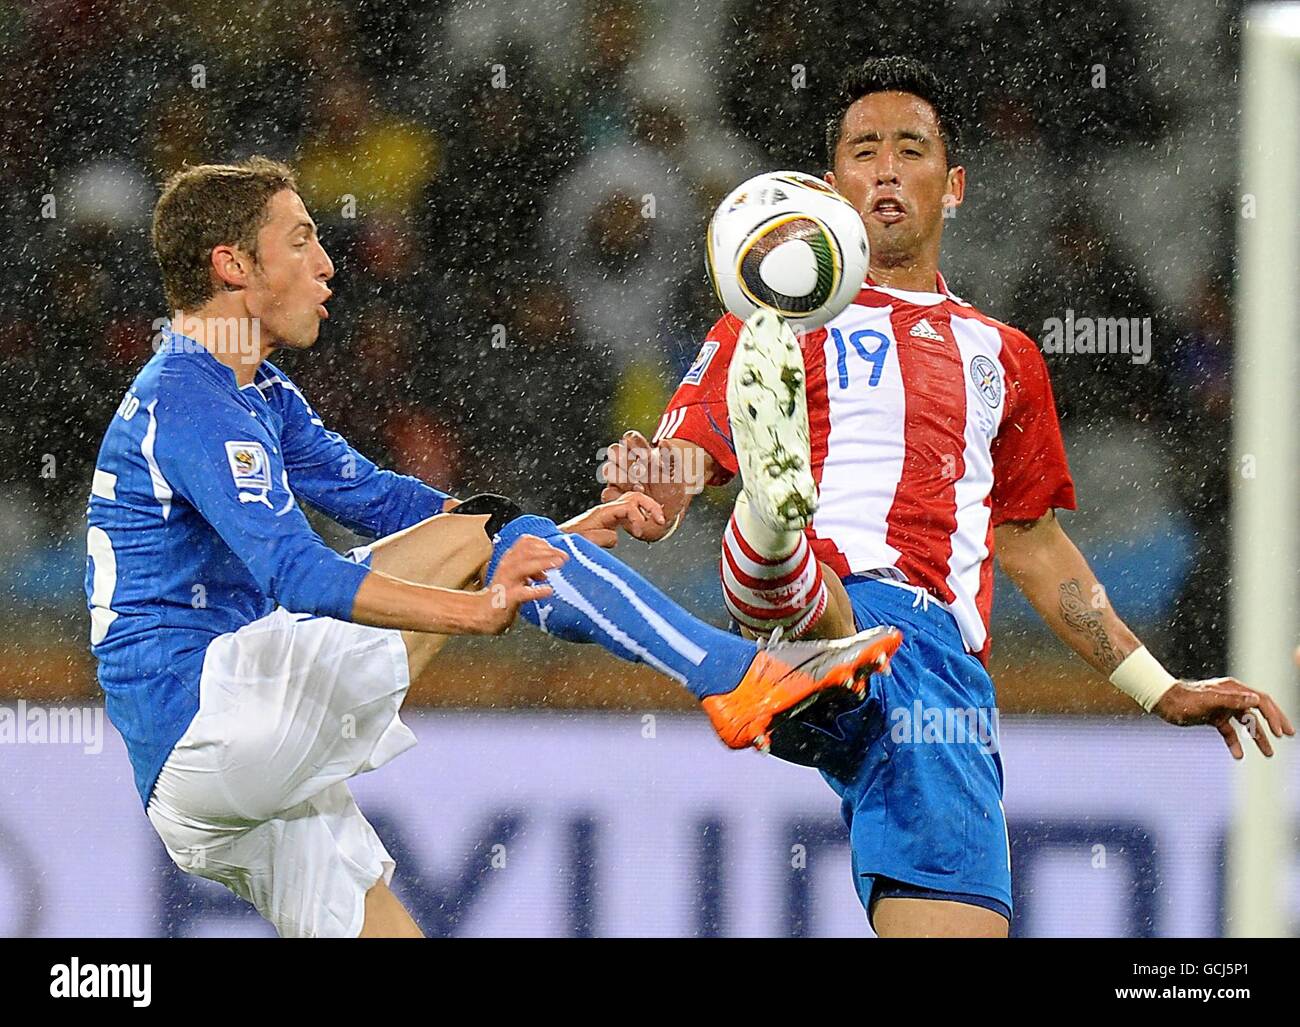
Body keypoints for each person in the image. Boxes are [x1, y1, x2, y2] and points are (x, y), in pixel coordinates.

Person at [83, 157, 903, 938]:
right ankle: (737, 676)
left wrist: (545, 534)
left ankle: (694, 649)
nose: (328, 263)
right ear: (232, 265)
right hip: (215, 715)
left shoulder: (253, 387)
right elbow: (297, 573)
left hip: (198, 777)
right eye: (300, 241)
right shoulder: (190, 396)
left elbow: (382, 499)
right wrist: (477, 602)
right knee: (488, 533)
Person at [600, 57, 1294, 938]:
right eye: (864, 151)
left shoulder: (1003, 356)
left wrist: (1161, 688)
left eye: (910, 149)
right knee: (794, 557)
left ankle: (787, 595)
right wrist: (648, 487)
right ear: (828, 189)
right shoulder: (764, 322)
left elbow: (1038, 550)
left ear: (953, 183)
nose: (887, 169)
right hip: (841, 594)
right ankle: (783, 559)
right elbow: (675, 469)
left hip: (939, 675)